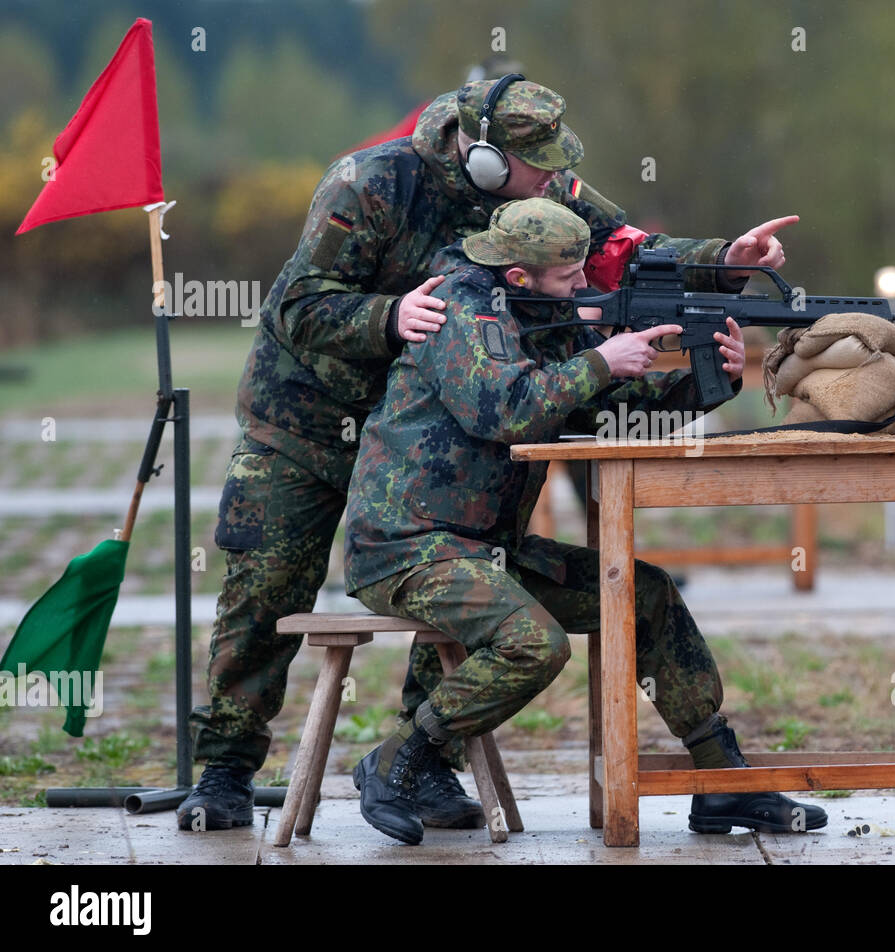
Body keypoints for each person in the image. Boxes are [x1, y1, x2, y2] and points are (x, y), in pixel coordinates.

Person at [181, 74, 799, 832]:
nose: (558, 179)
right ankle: (226, 771)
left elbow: (622, 253)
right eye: (538, 165)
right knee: (267, 580)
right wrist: (391, 314)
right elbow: (300, 304)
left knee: (491, 568)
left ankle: (428, 763)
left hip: (452, 449)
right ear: (482, 160)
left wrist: (720, 270)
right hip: (311, 412)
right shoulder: (371, 185)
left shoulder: (549, 210)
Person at [345, 198, 828, 845]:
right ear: (520, 277)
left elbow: (604, 409)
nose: (584, 288)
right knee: (536, 643)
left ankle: (721, 779)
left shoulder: (545, 318)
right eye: (571, 277)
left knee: (644, 593)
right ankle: (397, 758)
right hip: (405, 546)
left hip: (484, 548)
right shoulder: (459, 308)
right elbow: (504, 409)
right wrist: (605, 355)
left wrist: (704, 384)